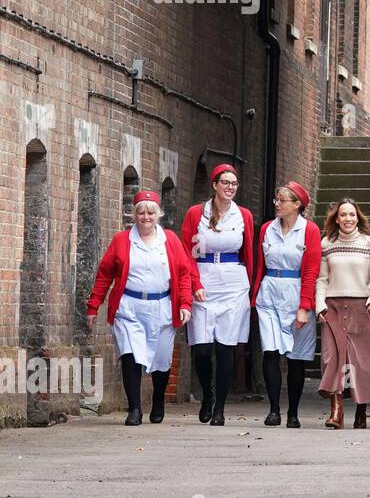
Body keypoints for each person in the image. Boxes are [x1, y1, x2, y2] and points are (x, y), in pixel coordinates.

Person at [86, 191, 193, 425]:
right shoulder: (121, 240)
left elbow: (184, 274)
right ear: (134, 215)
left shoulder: (171, 241)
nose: (146, 217)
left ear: (158, 215)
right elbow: (104, 274)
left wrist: (185, 303)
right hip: (129, 307)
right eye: (141, 212)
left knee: (162, 359)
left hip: (162, 306)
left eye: (151, 212)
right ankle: (134, 409)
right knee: (130, 356)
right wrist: (94, 305)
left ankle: (158, 399)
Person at [181, 163, 254, 426]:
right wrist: (194, 283)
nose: (230, 187)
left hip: (234, 283)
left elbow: (249, 253)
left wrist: (251, 290)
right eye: (225, 182)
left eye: (234, 183)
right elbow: (186, 253)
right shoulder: (195, 214)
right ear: (214, 185)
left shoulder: (243, 215)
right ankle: (207, 394)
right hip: (204, 279)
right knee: (201, 350)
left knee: (226, 349)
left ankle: (220, 408)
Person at [316, 199, 370, 429]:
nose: (348, 219)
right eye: (343, 215)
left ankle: (361, 409)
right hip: (333, 308)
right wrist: (320, 305)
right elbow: (322, 279)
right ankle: (336, 411)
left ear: (357, 217)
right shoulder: (327, 244)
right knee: (332, 358)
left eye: (351, 214)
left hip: (361, 306)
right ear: (336, 219)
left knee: (360, 362)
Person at [251, 181, 321, 428]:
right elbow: (261, 264)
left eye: (282, 200)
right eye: (276, 200)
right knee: (270, 351)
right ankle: (273, 410)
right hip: (269, 291)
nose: (277, 204)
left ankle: (293, 412)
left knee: (296, 357)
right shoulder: (267, 229)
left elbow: (311, 270)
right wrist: (255, 294)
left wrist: (305, 305)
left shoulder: (309, 230)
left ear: (297, 205)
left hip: (296, 292)